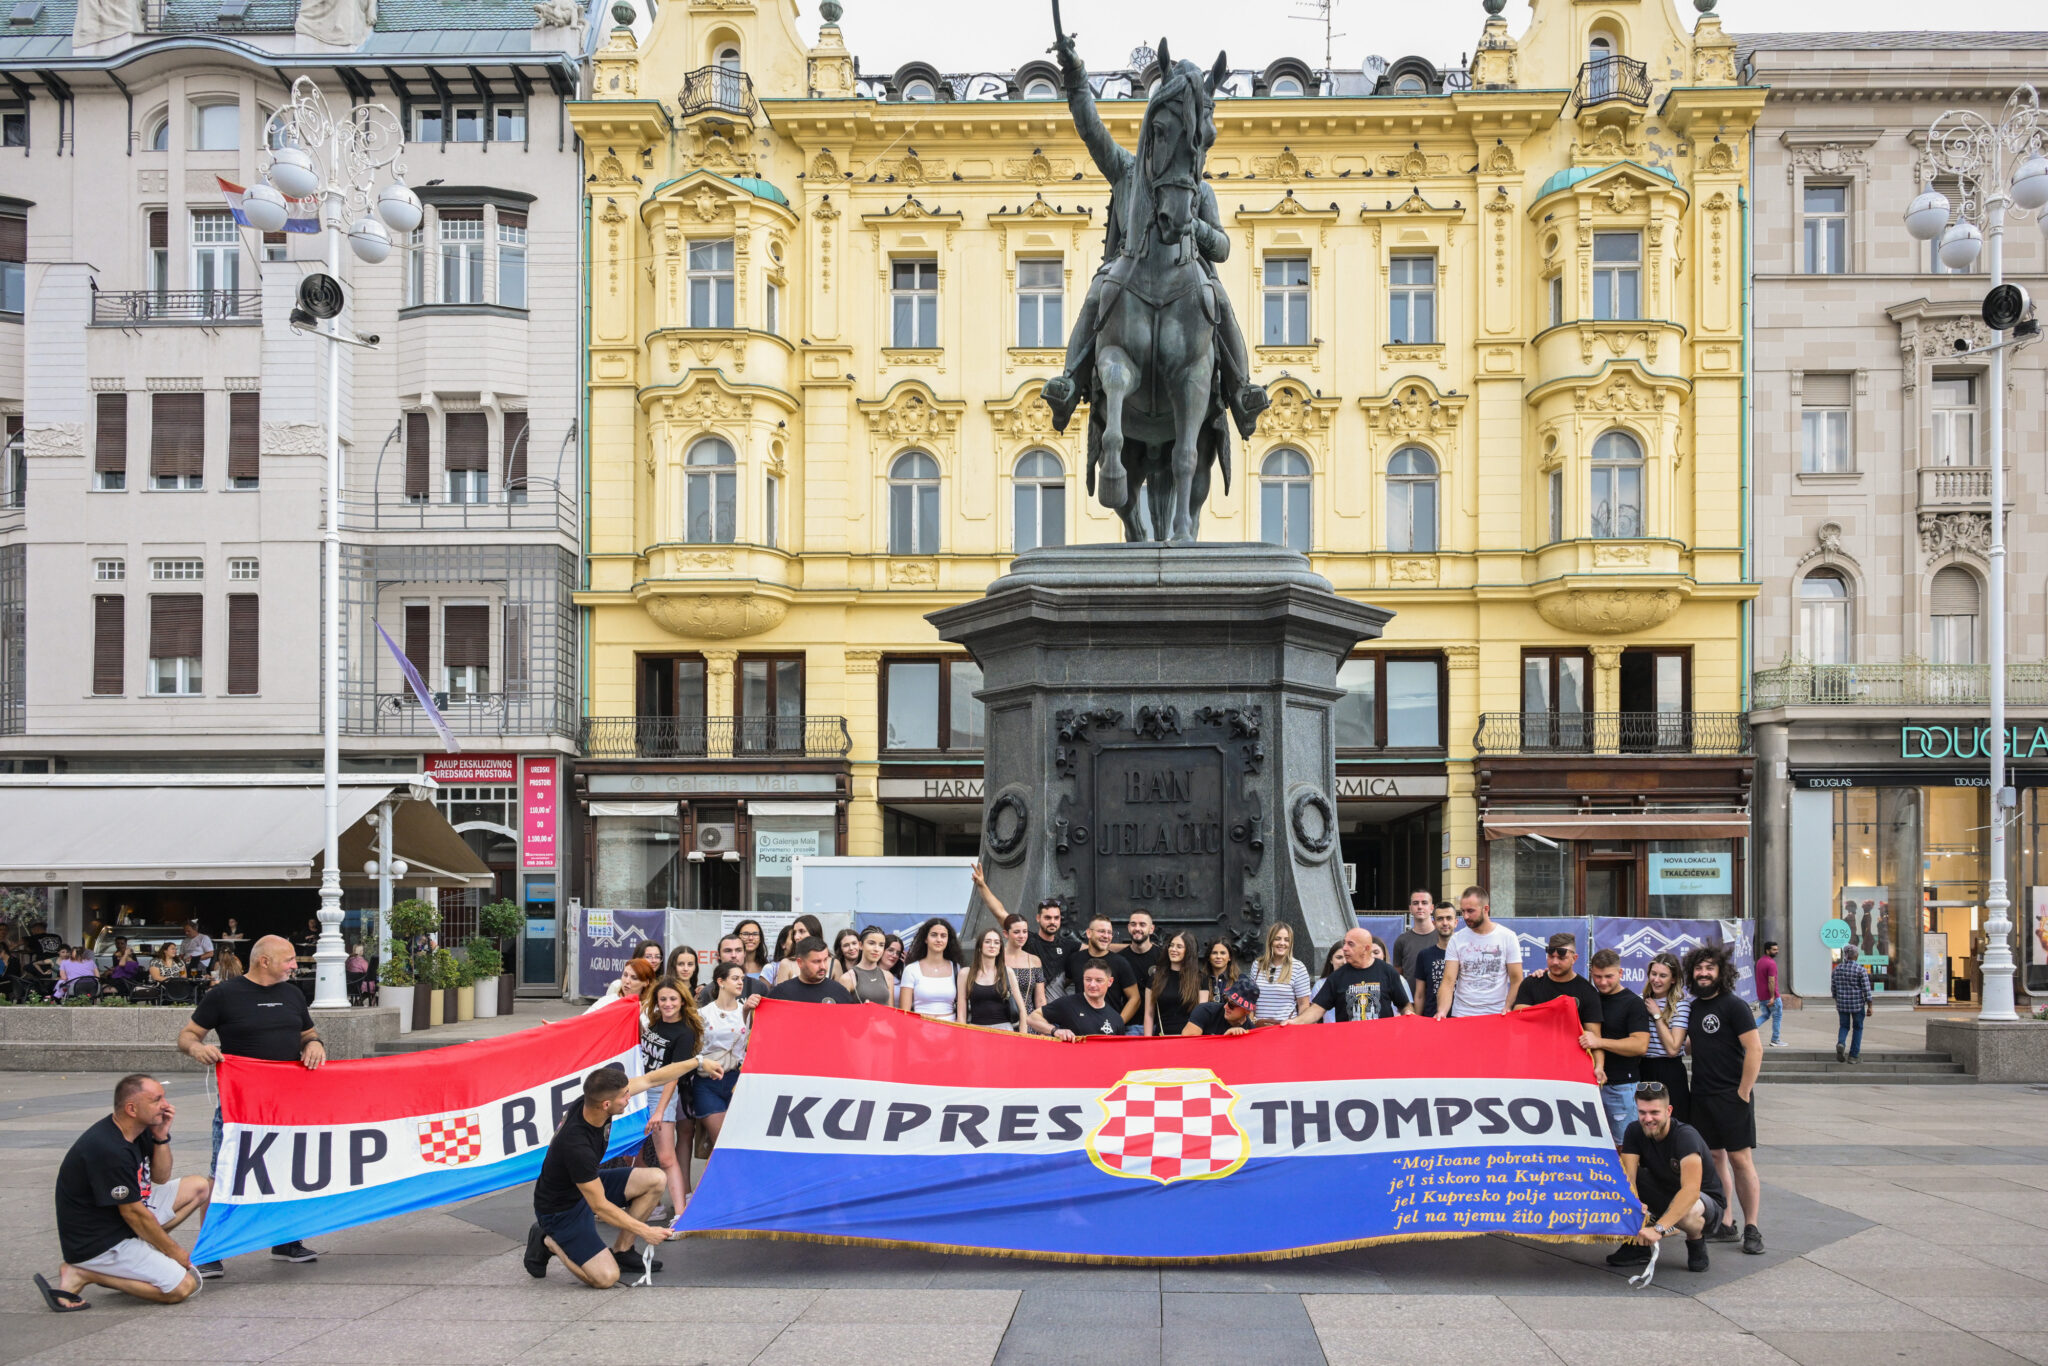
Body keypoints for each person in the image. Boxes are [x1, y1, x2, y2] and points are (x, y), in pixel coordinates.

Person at [176, 934, 324, 1274]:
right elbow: (188, 1035)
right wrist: (197, 1049)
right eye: (288, 959)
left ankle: (286, 1241)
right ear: (264, 961)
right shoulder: (224, 995)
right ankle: (210, 1250)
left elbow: (307, 1034)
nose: (293, 965)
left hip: (286, 1105)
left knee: (289, 1170)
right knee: (224, 1172)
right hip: (239, 1106)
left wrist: (315, 1044)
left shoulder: (293, 994)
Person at [524, 1056, 721, 1289]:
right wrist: (645, 1231)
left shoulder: (593, 1100)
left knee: (656, 1179)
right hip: (561, 1209)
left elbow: (650, 1079)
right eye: (625, 1096)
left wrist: (697, 1063)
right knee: (606, 1278)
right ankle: (548, 1240)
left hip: (586, 1185)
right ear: (606, 1104)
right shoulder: (576, 1145)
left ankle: (623, 1250)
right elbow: (600, 1207)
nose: (630, 1098)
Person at [35, 1074, 211, 1312]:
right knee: (181, 1287)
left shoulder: (140, 1129)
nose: (166, 1105)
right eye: (157, 1099)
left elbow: (160, 1177)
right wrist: (175, 1252)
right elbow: (134, 1214)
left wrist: (161, 1137)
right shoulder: (109, 1149)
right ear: (131, 1108)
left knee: (199, 1186)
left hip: (120, 1220)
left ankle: (141, 1253)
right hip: (99, 1241)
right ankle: (86, 1272)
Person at [1670, 943, 1764, 1256]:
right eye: (1699, 968)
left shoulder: (1734, 1005)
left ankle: (1752, 1227)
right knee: (1714, 1159)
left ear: (1721, 972)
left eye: (1710, 968)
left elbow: (1755, 1049)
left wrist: (1743, 1092)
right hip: (1702, 1095)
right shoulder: (1694, 1007)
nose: (1704, 973)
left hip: (1731, 1097)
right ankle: (1726, 1222)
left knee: (1740, 1160)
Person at [1609, 1080, 1724, 1274]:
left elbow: (1690, 1191)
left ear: (1669, 1111)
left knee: (1686, 1211)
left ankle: (1695, 1240)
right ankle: (1638, 1245)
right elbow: (1628, 1178)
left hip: (1704, 1202)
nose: (1648, 1118)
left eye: (1655, 1112)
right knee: (1620, 1184)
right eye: (1642, 1112)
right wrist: (1635, 1206)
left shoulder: (1686, 1136)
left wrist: (1658, 1229)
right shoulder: (1634, 1130)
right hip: (1663, 1191)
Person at [640, 977, 701, 1218]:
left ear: (682, 1002)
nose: (667, 1004)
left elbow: (673, 1077)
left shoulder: (684, 1033)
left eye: (673, 999)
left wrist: (659, 1112)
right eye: (663, 999)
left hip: (660, 1094)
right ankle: (652, 1205)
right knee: (632, 1153)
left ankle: (680, 1214)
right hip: (640, 1091)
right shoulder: (655, 1024)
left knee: (666, 1157)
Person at [1585, 950, 1652, 1143]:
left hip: (1621, 1086)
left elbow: (1640, 1045)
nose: (1603, 982)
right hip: (1588, 1085)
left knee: (1624, 1146)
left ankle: (1630, 1175)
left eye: (1609, 976)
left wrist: (1599, 1042)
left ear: (1620, 973)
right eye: (1597, 976)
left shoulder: (1633, 1003)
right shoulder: (1590, 997)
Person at [1435, 886, 1524, 1019]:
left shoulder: (1508, 937)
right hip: (1462, 1014)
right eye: (1463, 911)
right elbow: (1448, 981)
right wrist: (1442, 1011)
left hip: (1497, 1014)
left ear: (1486, 909)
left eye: (1471, 911)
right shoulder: (1456, 939)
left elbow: (1517, 979)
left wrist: (1508, 1006)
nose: (1465, 916)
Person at [1289, 928, 1410, 1023]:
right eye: (1345, 943)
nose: (1344, 948)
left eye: (1350, 944)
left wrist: (1411, 1016)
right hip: (1347, 1045)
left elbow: (1405, 1006)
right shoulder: (1337, 977)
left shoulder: (1388, 972)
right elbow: (1316, 1010)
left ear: (1366, 948)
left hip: (1380, 1044)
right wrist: (1294, 1022)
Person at [694, 963, 751, 1160]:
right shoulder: (703, 1014)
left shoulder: (747, 1011)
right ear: (721, 982)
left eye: (742, 979)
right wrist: (702, 1063)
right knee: (720, 1143)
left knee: (736, 1144)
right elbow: (693, 1050)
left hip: (735, 1080)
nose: (740, 982)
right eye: (735, 978)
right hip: (707, 1081)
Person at [1640, 952, 1692, 1123]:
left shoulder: (1680, 1004)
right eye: (1653, 974)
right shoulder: (1641, 1001)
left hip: (1670, 1070)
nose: (1656, 980)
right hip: (1644, 1067)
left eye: (1663, 976)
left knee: (1673, 1122)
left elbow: (1673, 1048)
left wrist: (1657, 1015)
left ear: (1673, 979)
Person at [1513, 933, 1602, 1029]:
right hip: (1535, 1042)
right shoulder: (1532, 982)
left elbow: (1594, 1036)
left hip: (1569, 1043)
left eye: (1561, 958)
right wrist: (1551, 1009)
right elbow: (1517, 1016)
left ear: (1574, 958)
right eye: (1551, 956)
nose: (1555, 962)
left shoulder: (1587, 991)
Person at [1066, 915, 1141, 1022]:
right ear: (1089, 933)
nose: (1106, 936)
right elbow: (1061, 984)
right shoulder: (1075, 959)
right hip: (1080, 1027)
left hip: (1108, 1030)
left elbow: (1135, 998)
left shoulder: (1120, 962)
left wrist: (1118, 1023)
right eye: (1101, 931)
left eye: (1109, 932)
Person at [1030, 961, 1127, 1040]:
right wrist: (1055, 1031)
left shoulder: (1116, 1019)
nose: (1092, 985)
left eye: (1098, 980)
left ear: (1110, 981)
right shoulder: (1067, 1004)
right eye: (1088, 979)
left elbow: (1119, 1051)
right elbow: (1032, 1018)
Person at [898, 918, 963, 1019]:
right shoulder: (911, 969)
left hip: (950, 1029)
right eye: (934, 935)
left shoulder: (957, 968)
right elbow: (904, 1012)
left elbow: (962, 1008)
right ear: (925, 939)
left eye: (943, 936)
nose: (938, 939)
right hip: (920, 1029)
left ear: (948, 940)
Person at [958, 927, 1023, 1029]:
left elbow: (1022, 1010)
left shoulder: (1008, 972)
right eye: (987, 942)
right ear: (980, 946)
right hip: (976, 1031)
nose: (992, 946)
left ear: (1000, 948)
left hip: (1004, 1031)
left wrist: (1022, 1040)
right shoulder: (965, 973)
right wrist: (963, 1035)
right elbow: (961, 1012)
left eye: (996, 942)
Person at [1147, 930, 1206, 1037]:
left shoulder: (1200, 978)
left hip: (1189, 1040)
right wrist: (1147, 1041)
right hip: (1162, 1039)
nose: (1173, 949)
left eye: (1179, 946)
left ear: (1189, 950)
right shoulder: (1155, 977)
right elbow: (1149, 1014)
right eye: (1171, 945)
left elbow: (1201, 1016)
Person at [765, 937, 857, 1005]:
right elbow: (764, 1023)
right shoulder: (781, 993)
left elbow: (852, 1024)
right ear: (800, 963)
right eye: (816, 961)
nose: (823, 966)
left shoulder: (840, 992)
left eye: (825, 960)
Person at [1250, 923, 1311, 1024]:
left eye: (1287, 940)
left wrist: (1300, 1027)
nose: (1282, 943)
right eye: (1277, 938)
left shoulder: (1298, 968)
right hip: (1259, 1028)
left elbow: (1303, 1005)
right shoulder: (1257, 965)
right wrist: (1251, 1020)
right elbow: (1250, 999)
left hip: (1285, 1029)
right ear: (1270, 941)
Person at [1024, 895, 1077, 1000]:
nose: (1053, 922)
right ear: (1038, 918)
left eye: (1056, 918)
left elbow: (1095, 949)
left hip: (1057, 1008)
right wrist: (982, 885)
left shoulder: (1067, 945)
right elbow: (1001, 914)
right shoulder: (1027, 939)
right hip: (1031, 1008)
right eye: (1048, 917)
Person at [1410, 904, 1456, 1020]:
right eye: (1440, 919)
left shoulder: (1465, 953)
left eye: (1449, 918)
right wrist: (1417, 1022)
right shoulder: (1424, 955)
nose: (1445, 923)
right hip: (1432, 1019)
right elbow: (1420, 994)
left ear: (1456, 922)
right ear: (1434, 923)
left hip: (1460, 1018)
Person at [999, 914, 1049, 1018]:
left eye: (1025, 931)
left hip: (1028, 1020)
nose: (1022, 936)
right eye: (1016, 932)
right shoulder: (996, 958)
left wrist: (1043, 1022)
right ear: (1006, 933)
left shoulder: (1034, 961)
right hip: (1000, 1021)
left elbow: (1040, 999)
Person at [698, 935, 768, 1008]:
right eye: (728, 951)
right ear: (718, 955)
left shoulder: (759, 987)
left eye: (738, 950)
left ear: (744, 954)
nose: (734, 955)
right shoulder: (707, 992)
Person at [1831, 943, 1873, 1064]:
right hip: (1857, 1005)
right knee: (1858, 1028)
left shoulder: (1837, 969)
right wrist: (1870, 1006)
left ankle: (1841, 1043)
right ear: (1856, 955)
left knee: (1844, 1026)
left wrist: (1837, 1001)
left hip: (1842, 1004)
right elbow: (1866, 990)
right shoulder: (1861, 970)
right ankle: (1853, 1056)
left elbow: (1833, 989)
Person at [1116, 911, 1165, 1006]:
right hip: (1128, 1018)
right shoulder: (1119, 959)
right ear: (1128, 927)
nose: (1137, 928)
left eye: (1142, 925)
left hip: (1159, 1018)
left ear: (1151, 929)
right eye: (1133, 924)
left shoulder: (1164, 957)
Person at [841, 927, 898, 1006]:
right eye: (871, 943)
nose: (876, 949)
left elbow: (891, 1012)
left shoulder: (888, 976)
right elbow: (842, 1014)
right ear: (861, 945)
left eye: (881, 945)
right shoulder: (847, 978)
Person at [1390, 889, 1439, 979]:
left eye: (1424, 903)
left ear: (1432, 908)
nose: (1420, 906)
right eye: (1416, 903)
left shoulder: (1443, 938)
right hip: (1409, 993)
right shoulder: (1401, 941)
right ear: (1410, 908)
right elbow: (1397, 977)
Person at [1183, 979, 1260, 1035]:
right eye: (1226, 1001)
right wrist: (1223, 1040)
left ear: (1247, 1010)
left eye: (1232, 1005)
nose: (1225, 1006)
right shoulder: (1204, 1011)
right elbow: (1187, 1045)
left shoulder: (1250, 1031)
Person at [586, 958, 655, 1013]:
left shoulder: (651, 1009)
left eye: (634, 978)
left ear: (646, 982)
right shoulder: (608, 1001)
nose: (627, 981)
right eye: (625, 975)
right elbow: (584, 1019)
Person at [1756, 940, 1786, 1047]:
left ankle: (1748, 1031)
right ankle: (1775, 1039)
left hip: (1762, 996)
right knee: (1777, 1017)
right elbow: (1771, 981)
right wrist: (1773, 997)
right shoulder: (1771, 963)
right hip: (1771, 996)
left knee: (1765, 1015)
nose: (1777, 951)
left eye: (1777, 949)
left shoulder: (1760, 961)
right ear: (1767, 950)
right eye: (1774, 950)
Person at [1203, 938, 1242, 1003]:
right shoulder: (1201, 980)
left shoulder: (1239, 982)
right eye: (1214, 953)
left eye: (1223, 953)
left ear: (1229, 957)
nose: (1218, 956)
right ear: (1209, 957)